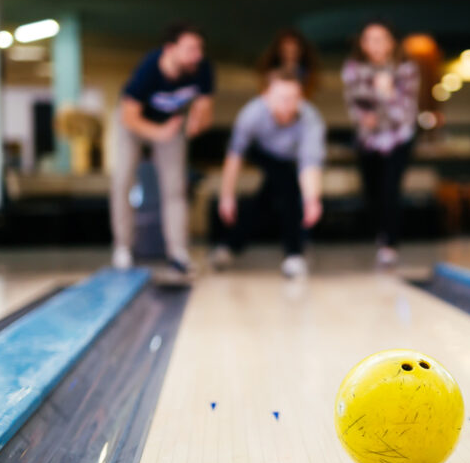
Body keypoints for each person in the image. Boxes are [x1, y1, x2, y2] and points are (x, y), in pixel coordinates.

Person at [110, 22, 214, 275]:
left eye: (199, 48)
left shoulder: (203, 69)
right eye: (190, 49)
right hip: (132, 124)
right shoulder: (148, 69)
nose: (197, 55)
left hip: (170, 124)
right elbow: (129, 117)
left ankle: (178, 252)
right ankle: (123, 247)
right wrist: (160, 133)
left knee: (175, 187)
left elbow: (204, 106)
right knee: (123, 180)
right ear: (170, 49)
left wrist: (196, 121)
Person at [210, 70, 325, 278]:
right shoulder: (251, 114)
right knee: (287, 187)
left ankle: (230, 247)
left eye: (293, 98)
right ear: (266, 96)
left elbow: (309, 164)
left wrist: (311, 200)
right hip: (260, 151)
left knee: (271, 196)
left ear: (300, 98)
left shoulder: (311, 119)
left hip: (290, 159)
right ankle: (294, 253)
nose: (287, 105)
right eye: (281, 98)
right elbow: (235, 157)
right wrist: (226, 196)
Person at [342, 21, 419, 267]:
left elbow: (405, 113)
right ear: (362, 44)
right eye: (369, 39)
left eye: (380, 39)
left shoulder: (406, 69)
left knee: (390, 189)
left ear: (390, 42)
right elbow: (354, 106)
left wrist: (387, 94)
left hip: (398, 138)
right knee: (371, 191)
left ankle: (390, 244)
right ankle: (380, 234)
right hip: (368, 138)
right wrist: (366, 119)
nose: (374, 44)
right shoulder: (353, 69)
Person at [257, 29, 321, 98]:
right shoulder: (270, 74)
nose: (289, 55)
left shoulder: (308, 75)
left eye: (294, 51)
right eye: (285, 51)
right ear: (279, 51)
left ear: (301, 51)